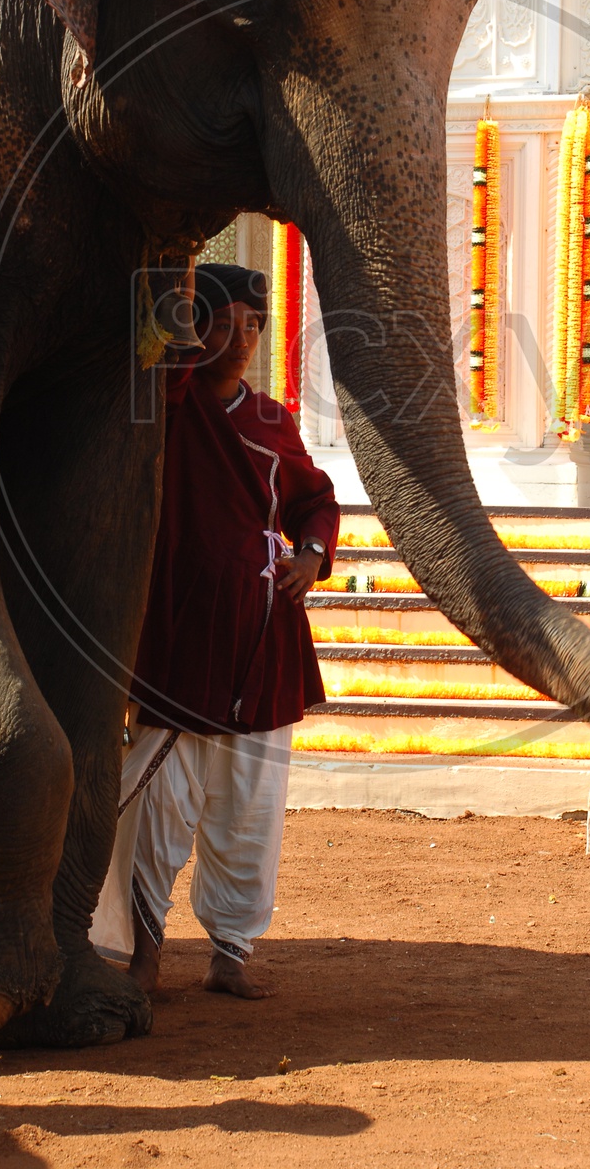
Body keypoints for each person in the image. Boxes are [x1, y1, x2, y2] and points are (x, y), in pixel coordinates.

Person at [91, 262, 339, 999]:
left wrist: (312, 556)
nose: (238, 339)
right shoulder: (167, 405)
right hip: (182, 632)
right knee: (157, 800)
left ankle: (232, 951)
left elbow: (314, 502)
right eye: (221, 322)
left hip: (264, 635)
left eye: (251, 325)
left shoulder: (272, 421)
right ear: (195, 329)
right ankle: (144, 952)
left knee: (250, 804)